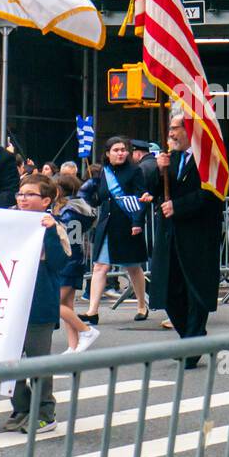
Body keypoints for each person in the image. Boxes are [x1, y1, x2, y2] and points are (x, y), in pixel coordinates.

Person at [149, 112, 224, 364]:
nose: (170, 133)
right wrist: (159, 171)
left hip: (197, 239)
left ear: (190, 129)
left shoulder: (210, 158)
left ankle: (192, 346)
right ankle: (190, 336)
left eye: (176, 128)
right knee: (170, 292)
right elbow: (152, 190)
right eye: (169, 128)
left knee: (195, 292)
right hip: (170, 237)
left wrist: (178, 207)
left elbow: (212, 197)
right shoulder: (172, 158)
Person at [1, 173, 71, 434]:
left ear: (46, 201)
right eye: (21, 194)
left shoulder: (53, 226)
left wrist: (51, 232)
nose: (23, 199)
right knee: (9, 360)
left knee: (38, 361)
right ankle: (21, 407)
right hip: (11, 305)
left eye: (30, 195)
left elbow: (58, 263)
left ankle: (45, 412)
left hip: (39, 305)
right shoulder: (8, 220)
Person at [81, 135, 152, 324]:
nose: (120, 153)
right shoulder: (104, 171)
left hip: (127, 224)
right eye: (116, 150)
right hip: (107, 225)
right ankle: (92, 311)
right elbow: (102, 198)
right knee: (99, 266)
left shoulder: (135, 171)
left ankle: (141, 306)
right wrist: (89, 194)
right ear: (107, 153)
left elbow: (141, 198)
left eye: (123, 150)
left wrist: (137, 222)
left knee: (133, 267)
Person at [55, 173, 99, 353]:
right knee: (67, 305)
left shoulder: (67, 211)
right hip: (77, 259)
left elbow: (65, 237)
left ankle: (86, 331)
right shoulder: (80, 208)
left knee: (53, 303)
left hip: (68, 261)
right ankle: (73, 346)